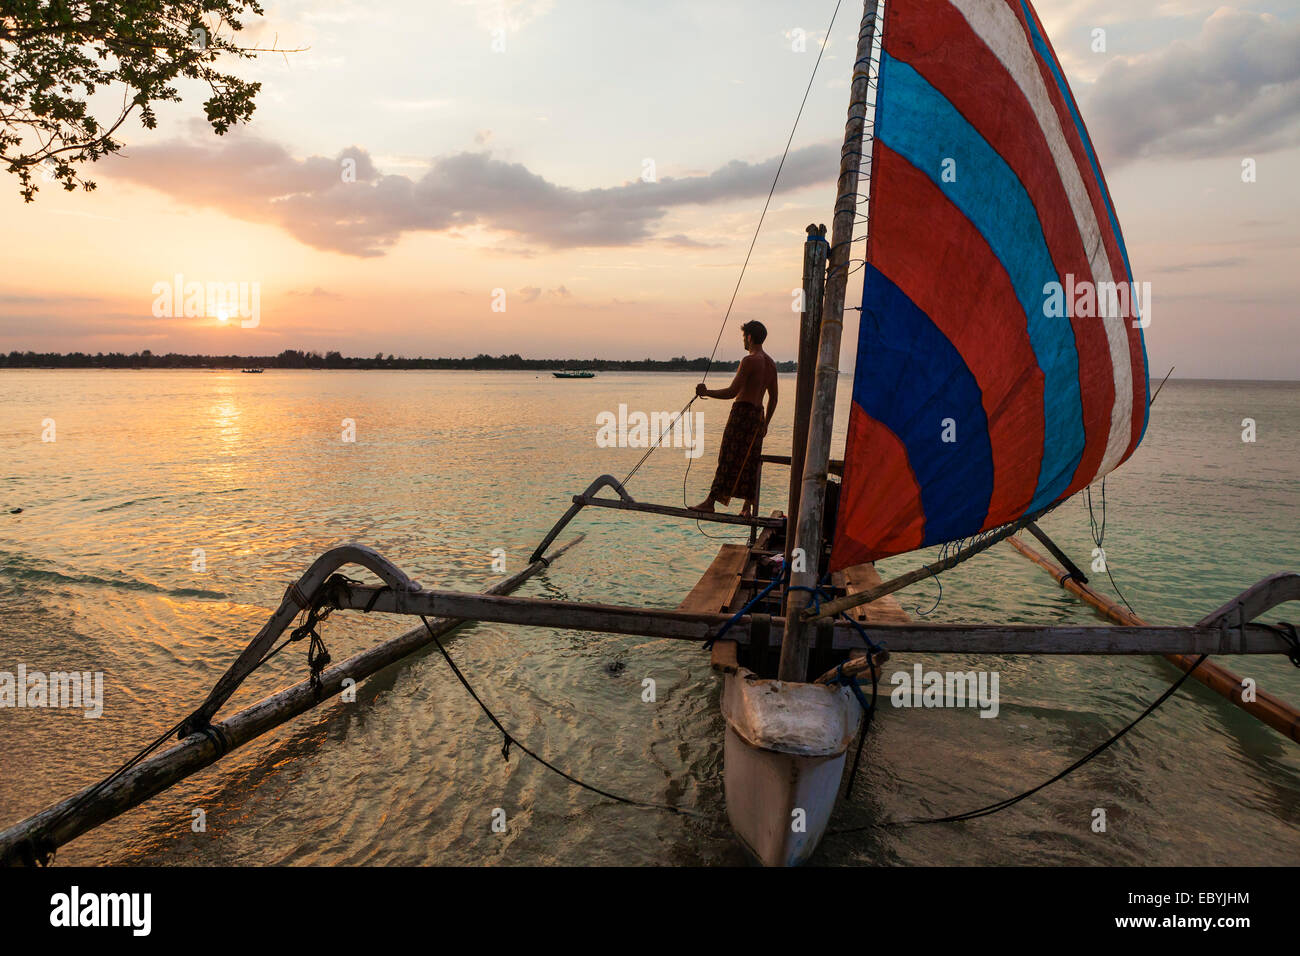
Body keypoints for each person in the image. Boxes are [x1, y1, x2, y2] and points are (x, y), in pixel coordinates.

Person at [689, 320, 778, 518]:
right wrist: (766, 423)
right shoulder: (771, 364)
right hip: (757, 416)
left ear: (749, 337)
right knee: (751, 460)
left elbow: (732, 392)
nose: (743, 341)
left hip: (742, 413)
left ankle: (710, 502)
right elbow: (774, 397)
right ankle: (747, 507)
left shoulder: (749, 360)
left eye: (743, 337)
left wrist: (706, 392)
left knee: (727, 456)